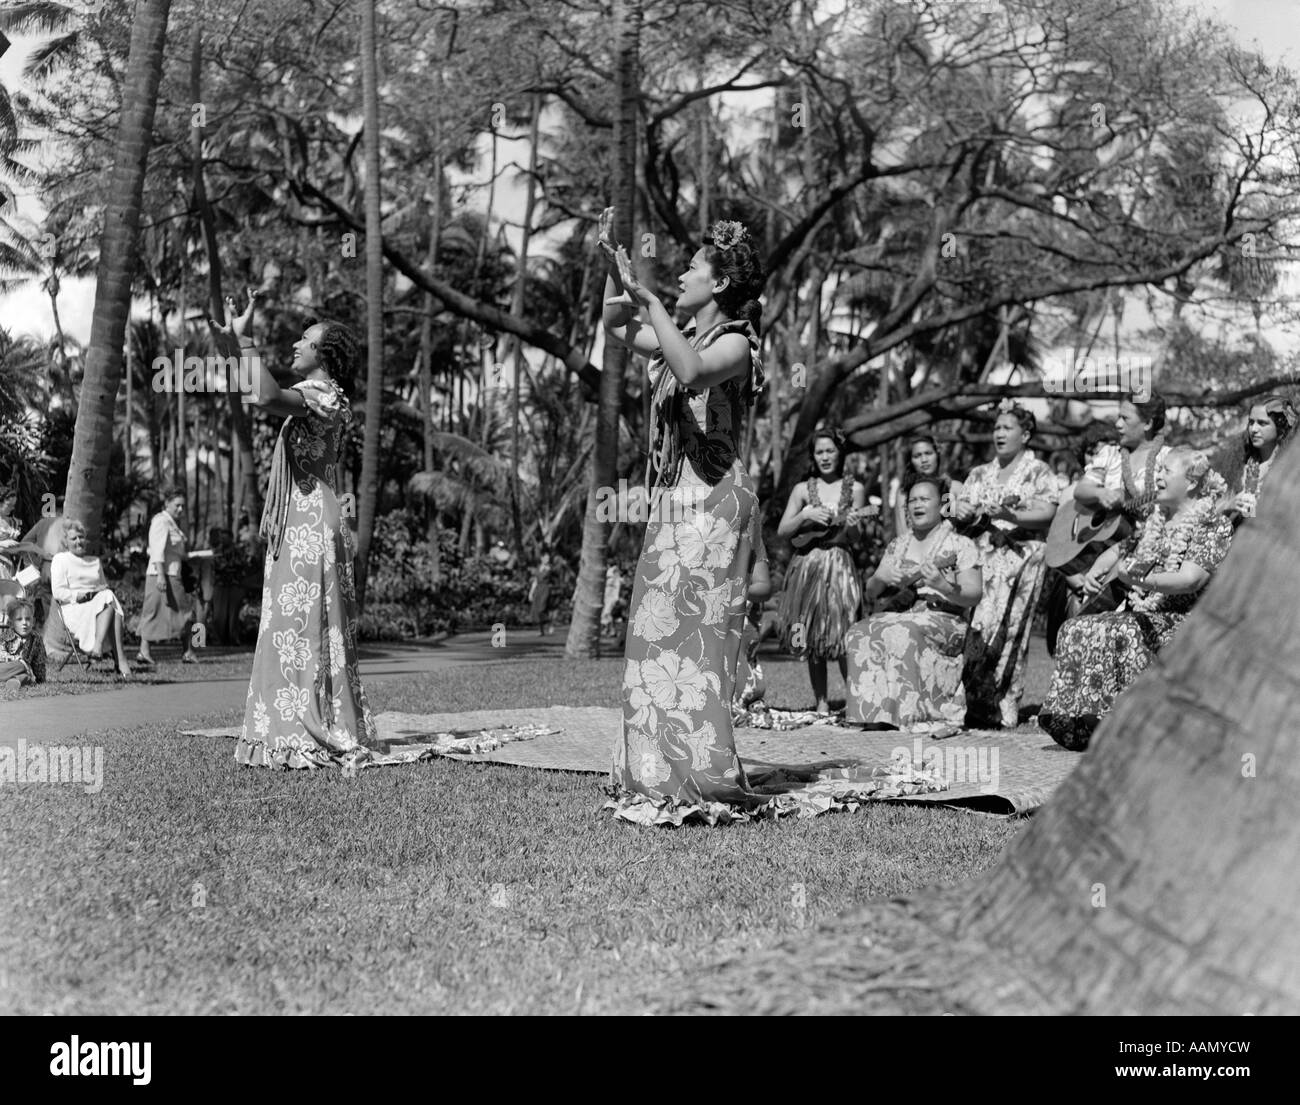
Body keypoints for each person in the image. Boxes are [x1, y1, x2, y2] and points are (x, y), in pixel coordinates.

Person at [601, 208, 771, 817]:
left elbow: (691, 372)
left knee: (697, 641)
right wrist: (616, 276)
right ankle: (654, 769)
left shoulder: (734, 344)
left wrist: (649, 301)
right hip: (676, 502)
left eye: (694, 267)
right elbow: (615, 332)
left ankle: (702, 771)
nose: (682, 274)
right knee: (652, 630)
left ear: (719, 284)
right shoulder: (686, 333)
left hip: (717, 505)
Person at [210, 290, 384, 769]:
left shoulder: (323, 395)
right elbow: (257, 392)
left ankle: (304, 729)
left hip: (312, 527)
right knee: (291, 627)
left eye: (305, 341)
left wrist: (245, 342)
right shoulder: (315, 396)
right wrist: (236, 345)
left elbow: (265, 395)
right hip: (300, 522)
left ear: (324, 355)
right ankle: (282, 728)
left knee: (304, 630)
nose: (295, 345)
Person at [1039, 447, 1233, 750]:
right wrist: (1098, 570)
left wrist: (1144, 580)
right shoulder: (1155, 520)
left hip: (1186, 621)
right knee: (1075, 628)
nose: (1158, 476)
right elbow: (1121, 550)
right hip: (1145, 615)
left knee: (1124, 630)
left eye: (1166, 470)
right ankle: (1090, 723)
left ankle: (1128, 726)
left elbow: (1191, 579)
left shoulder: (1212, 524)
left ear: (1192, 482)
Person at [950, 400, 1059, 728]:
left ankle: (1005, 703)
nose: (999, 433)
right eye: (996, 427)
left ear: (1025, 434)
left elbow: (1048, 512)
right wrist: (961, 510)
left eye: (1006, 428)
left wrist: (1012, 515)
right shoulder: (980, 473)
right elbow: (959, 511)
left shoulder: (1039, 471)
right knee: (978, 629)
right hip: (983, 557)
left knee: (1012, 630)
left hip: (1022, 560)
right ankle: (973, 703)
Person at [845, 478, 982, 735]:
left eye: (925, 499)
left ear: (941, 505)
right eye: (912, 500)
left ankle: (913, 715)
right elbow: (872, 591)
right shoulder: (899, 545)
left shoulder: (960, 544)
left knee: (904, 629)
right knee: (859, 630)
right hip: (909, 614)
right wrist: (880, 577)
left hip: (947, 619)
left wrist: (944, 586)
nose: (917, 504)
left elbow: (974, 595)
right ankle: (874, 714)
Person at [775, 428, 875, 713]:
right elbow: (783, 530)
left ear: (840, 453)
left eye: (830, 450)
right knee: (811, 634)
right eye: (819, 452)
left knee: (844, 633)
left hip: (839, 564)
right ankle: (820, 701)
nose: (825, 457)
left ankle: (853, 700)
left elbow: (856, 538)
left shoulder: (855, 489)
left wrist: (854, 523)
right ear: (813, 456)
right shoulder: (801, 490)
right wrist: (805, 514)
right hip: (807, 564)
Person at [49, 519, 132, 678]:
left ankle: (99, 649)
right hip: (73, 607)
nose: (78, 541)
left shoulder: (94, 561)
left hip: (98, 605)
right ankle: (119, 660)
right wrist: (81, 595)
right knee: (109, 602)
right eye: (74, 538)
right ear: (66, 542)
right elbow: (58, 592)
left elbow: (104, 587)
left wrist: (96, 592)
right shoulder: (60, 559)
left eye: (81, 537)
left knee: (108, 598)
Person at [1212, 395, 1297, 526]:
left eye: (1262, 423)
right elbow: (1211, 513)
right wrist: (1229, 505)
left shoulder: (1292, 467)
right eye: (1251, 422)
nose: (1254, 429)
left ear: (1280, 426)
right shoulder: (1239, 465)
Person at [136, 488, 198, 665]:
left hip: (173, 574)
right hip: (161, 575)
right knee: (153, 612)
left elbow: (176, 552)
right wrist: (161, 577)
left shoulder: (172, 523)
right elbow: (156, 550)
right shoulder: (161, 521)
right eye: (177, 505)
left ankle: (188, 651)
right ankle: (144, 651)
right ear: (167, 504)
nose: (181, 509)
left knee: (183, 613)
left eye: (183, 506)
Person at [892, 434, 964, 534]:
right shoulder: (904, 493)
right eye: (917, 456)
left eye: (928, 453)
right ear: (910, 461)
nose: (924, 460)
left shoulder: (953, 488)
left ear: (937, 454)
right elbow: (901, 532)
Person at [207, 526, 249, 646]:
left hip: (235, 585)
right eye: (222, 538)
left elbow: (242, 564)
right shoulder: (216, 551)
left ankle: (233, 638)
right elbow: (215, 566)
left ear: (231, 538)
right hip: (220, 585)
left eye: (226, 537)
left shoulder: (238, 551)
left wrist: (227, 567)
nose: (223, 540)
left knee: (233, 614)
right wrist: (229, 567)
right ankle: (218, 639)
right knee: (219, 614)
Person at [1, 596, 46, 691]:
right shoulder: (5, 637)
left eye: (28, 619)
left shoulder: (36, 639)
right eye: (19, 619)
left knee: (26, 676)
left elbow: (39, 662)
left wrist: (41, 679)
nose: (24, 623)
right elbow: (1, 655)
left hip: (22, 671)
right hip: (5, 668)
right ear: (11, 623)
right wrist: (19, 662)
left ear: (33, 621)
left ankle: (14, 682)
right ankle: (17, 672)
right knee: (22, 665)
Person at [529, 550, 557, 635]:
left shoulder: (550, 569)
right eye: (546, 558)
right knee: (536, 609)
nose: (547, 559)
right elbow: (535, 581)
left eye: (548, 558)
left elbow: (555, 580)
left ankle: (550, 624)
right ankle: (541, 630)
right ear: (542, 558)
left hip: (546, 589)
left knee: (542, 608)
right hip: (538, 589)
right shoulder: (538, 568)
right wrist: (531, 592)